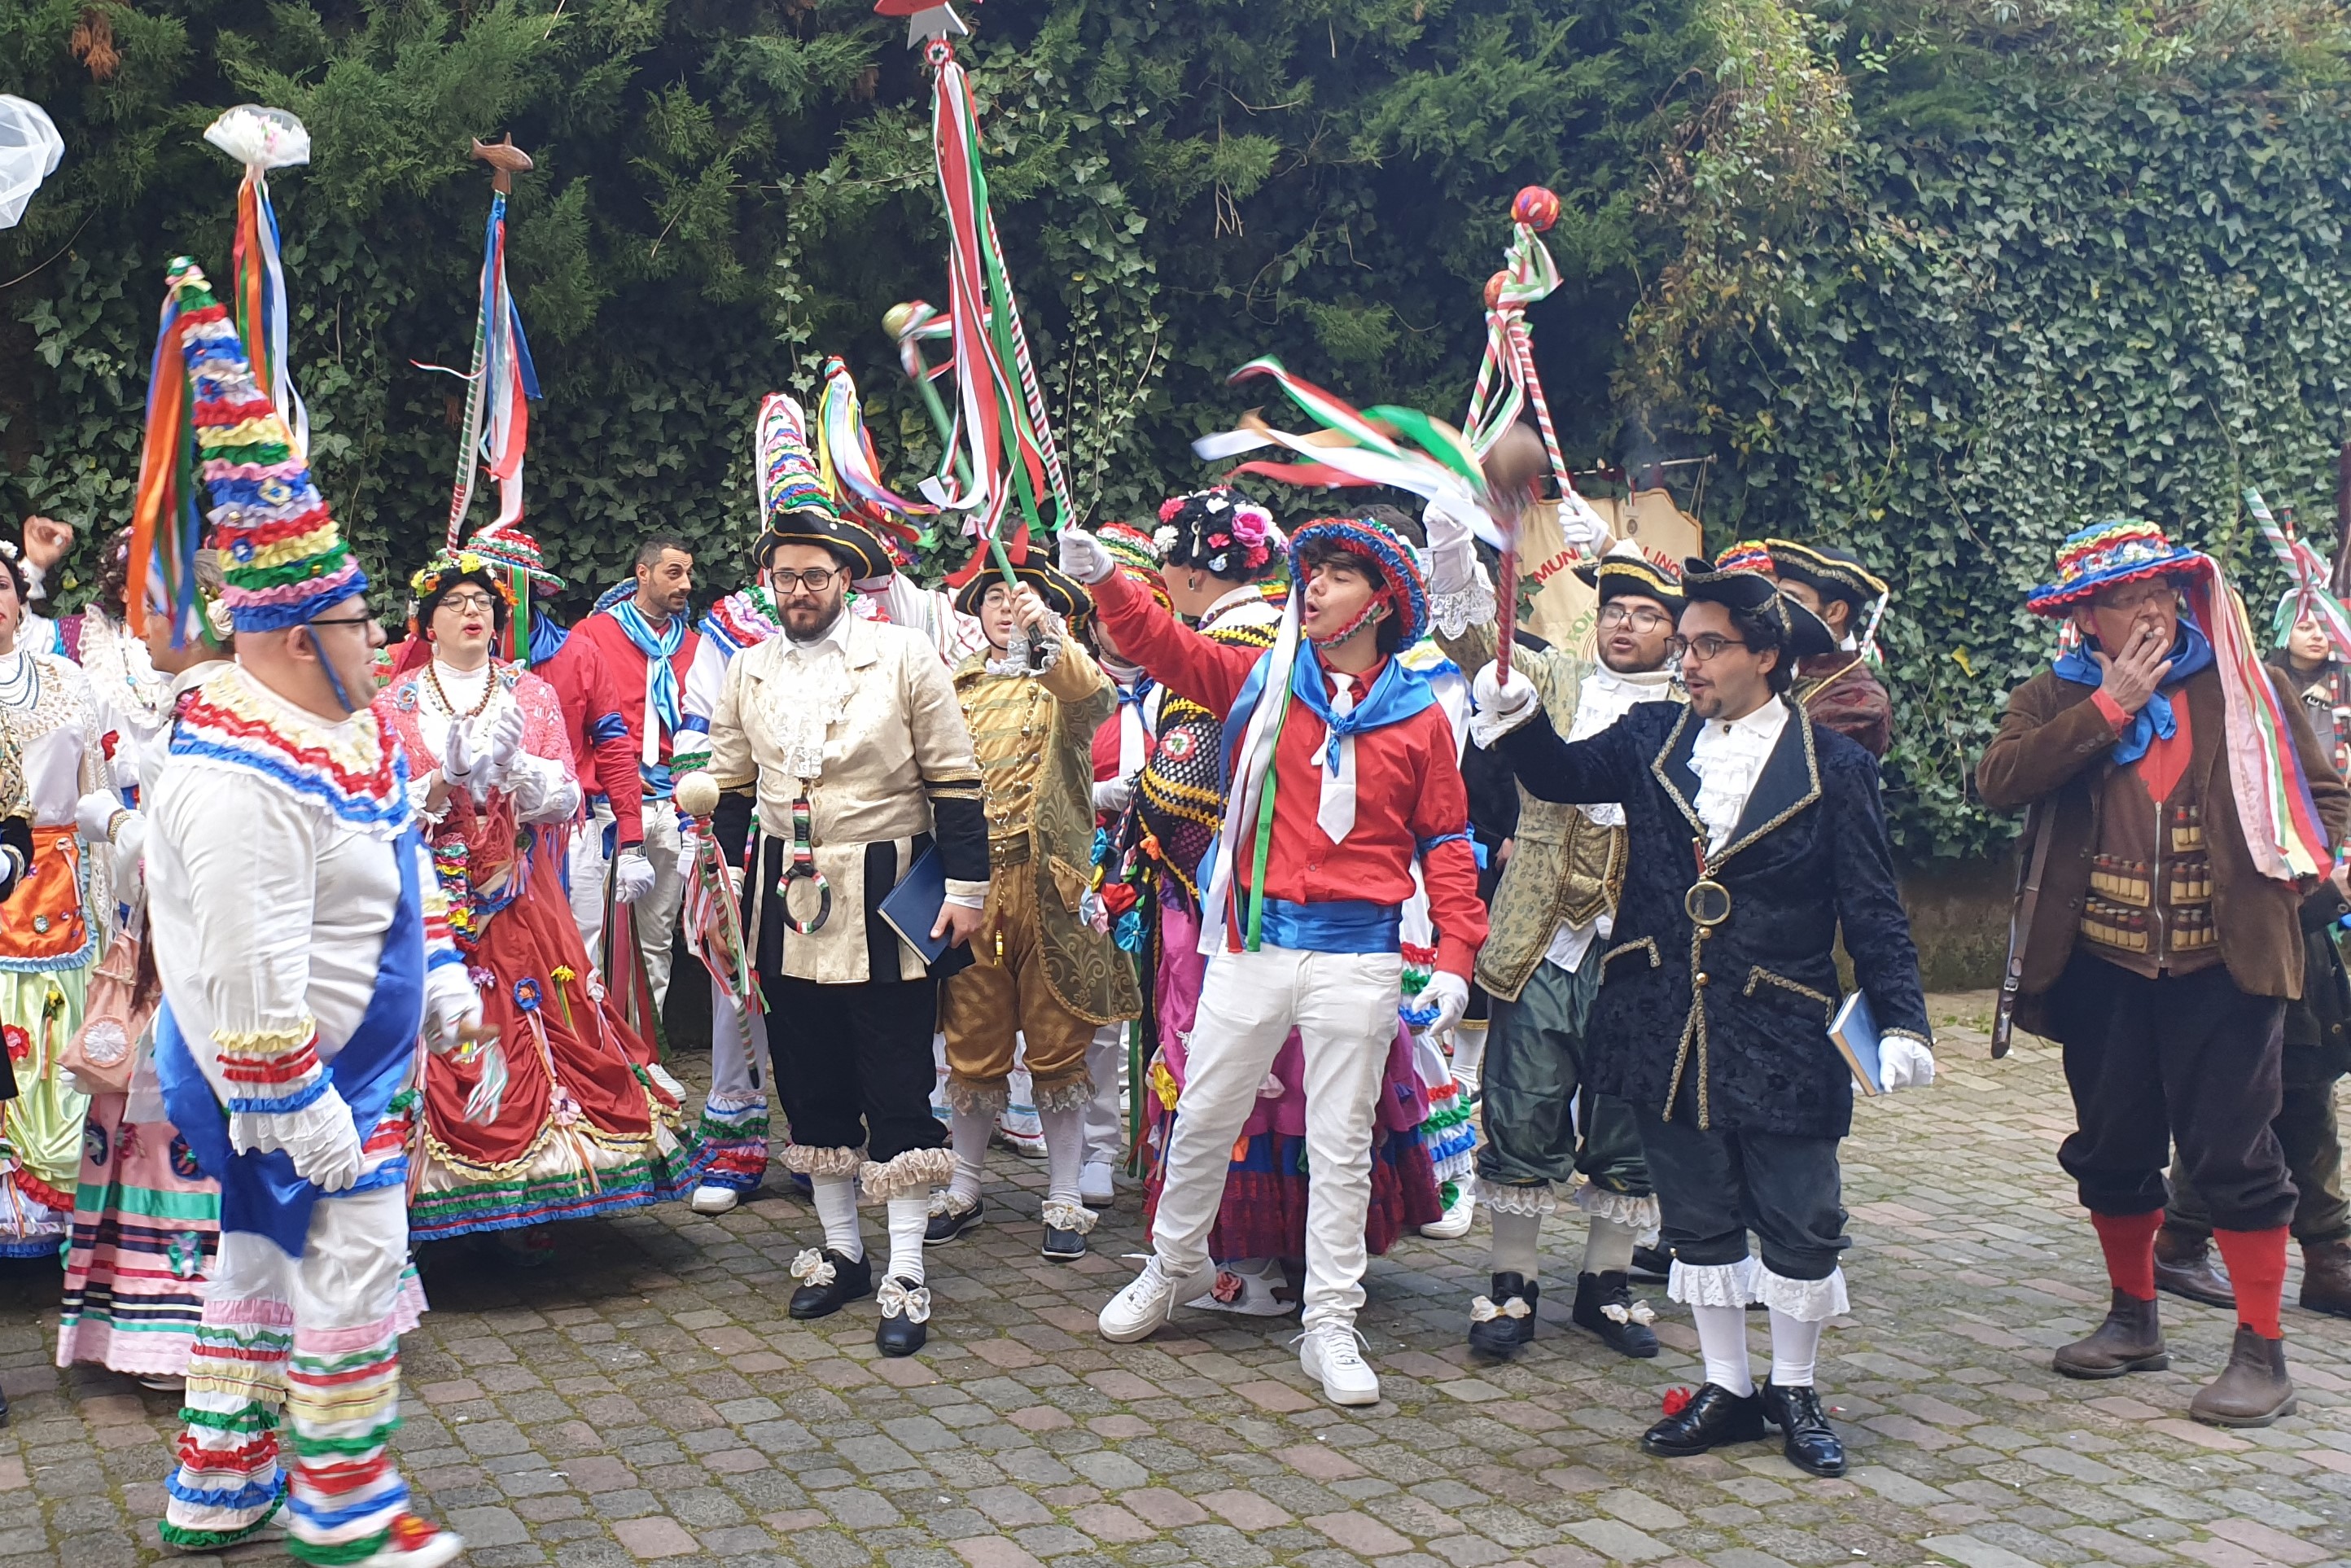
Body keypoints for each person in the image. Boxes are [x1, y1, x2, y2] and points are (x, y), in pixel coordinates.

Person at [142, 257, 479, 1566]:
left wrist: (442, 982)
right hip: (293, 1084)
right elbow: (244, 970)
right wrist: (305, 1117)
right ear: (291, 634)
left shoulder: (340, 733)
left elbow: (397, 876)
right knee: (343, 1272)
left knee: (258, 1267)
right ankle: (344, 1510)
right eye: (356, 621)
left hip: (353, 1067)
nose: (381, 645)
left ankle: (220, 1483)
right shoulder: (235, 775)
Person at [1473, 558, 1935, 1478]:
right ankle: (1725, 1386)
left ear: (1766, 655)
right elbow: (1561, 777)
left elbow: (1871, 907)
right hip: (1657, 1018)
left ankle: (1792, 1389)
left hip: (1781, 1028)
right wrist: (1518, 715)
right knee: (1698, 1214)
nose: (1685, 660)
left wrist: (1905, 1019)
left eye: (1707, 645)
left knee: (1800, 1217)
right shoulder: (1649, 734)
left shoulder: (1833, 766)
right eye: (1682, 643)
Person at [1063, 513, 1486, 1408]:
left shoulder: (1416, 718)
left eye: (1335, 573)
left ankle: (1330, 1320)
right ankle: (1172, 1266)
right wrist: (1104, 578)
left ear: (1379, 601)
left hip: (1357, 958)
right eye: (1309, 570)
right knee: (1207, 1114)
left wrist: (1453, 955)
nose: (1312, 585)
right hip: (1252, 943)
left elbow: (1446, 840)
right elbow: (1162, 645)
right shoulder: (1263, 679)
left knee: (1338, 1145)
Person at [1977, 520, 2351, 1426]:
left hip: (2223, 967)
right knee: (2111, 1149)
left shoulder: (2244, 684)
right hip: (2100, 966)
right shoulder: (2047, 697)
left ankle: (2260, 1353)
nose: (2147, 609)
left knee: (2235, 1152)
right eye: (2121, 598)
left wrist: (2304, 869)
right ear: (2083, 617)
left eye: (2159, 591)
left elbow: (2325, 798)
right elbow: (1996, 782)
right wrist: (2106, 710)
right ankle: (2131, 1319)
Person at [700, 402, 987, 1356]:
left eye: (814, 576)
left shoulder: (905, 655)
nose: (798, 591)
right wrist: (724, 876)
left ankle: (905, 1267)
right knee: (812, 1078)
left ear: (849, 581)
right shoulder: (743, 669)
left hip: (890, 890)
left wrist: (969, 892)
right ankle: (839, 1251)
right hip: (785, 896)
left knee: (897, 1076)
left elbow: (955, 781)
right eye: (783, 578)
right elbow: (731, 784)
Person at [1425, 510, 1683, 1361]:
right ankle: (1510, 1285)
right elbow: (1469, 641)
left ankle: (1605, 1289)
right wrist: (1453, 549)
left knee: (1625, 1119)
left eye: (1646, 614)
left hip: (1640, 943)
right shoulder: (1554, 676)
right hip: (1540, 931)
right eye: (1613, 608)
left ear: (1677, 635)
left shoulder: (1693, 711)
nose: (1625, 624)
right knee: (1521, 1104)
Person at [377, 550, 686, 1255]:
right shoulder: (393, 704)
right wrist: (442, 781)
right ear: (428, 621)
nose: (472, 612)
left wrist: (515, 769)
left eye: (483, 602)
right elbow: (377, 804)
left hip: (513, 893)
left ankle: (538, 1193)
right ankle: (415, 1197)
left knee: (542, 1020)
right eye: (455, 601)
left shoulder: (529, 694)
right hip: (425, 894)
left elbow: (566, 800)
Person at [56, 559, 234, 1388]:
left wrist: (118, 822)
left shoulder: (210, 717)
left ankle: (192, 1324)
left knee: (180, 1119)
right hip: (203, 953)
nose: (144, 624)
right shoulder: (232, 710)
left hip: (203, 963)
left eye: (159, 610)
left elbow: (191, 854)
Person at [928, 559, 1138, 1259]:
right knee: (973, 1042)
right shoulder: (950, 689)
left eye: (1016, 601)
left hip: (1051, 889)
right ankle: (963, 1186)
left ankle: (1068, 1193)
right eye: (993, 599)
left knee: (1059, 1045)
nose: (1004, 610)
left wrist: (1043, 630)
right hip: (971, 891)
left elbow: (1091, 694)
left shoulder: (1069, 687)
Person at [0, 535, 109, 1260]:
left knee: (72, 1031)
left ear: (22, 596)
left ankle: (82, 1208)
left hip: (67, 877)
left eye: (0, 585)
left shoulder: (68, 677)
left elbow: (97, 779)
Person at [568, 533, 707, 1009]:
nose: (686, 583)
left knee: (657, 936)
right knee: (593, 933)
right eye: (674, 572)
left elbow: (704, 726)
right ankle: (598, 1048)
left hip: (672, 802)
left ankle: (649, 1051)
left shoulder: (694, 646)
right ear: (642, 573)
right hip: (607, 803)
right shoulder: (593, 634)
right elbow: (573, 718)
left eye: (689, 573)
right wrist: (617, 772)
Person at [1080, 522, 1168, 1205]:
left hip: (1172, 874)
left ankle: (1166, 1145)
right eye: (1108, 612)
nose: (1118, 627)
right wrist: (1096, 793)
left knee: (1173, 1011)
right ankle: (1099, 1147)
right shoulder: (1075, 688)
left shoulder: (1180, 683)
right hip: (1094, 868)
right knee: (1101, 1017)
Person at [1764, 541, 1893, 758]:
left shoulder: (1864, 702)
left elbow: (1789, 764)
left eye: (1793, 599)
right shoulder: (1773, 657)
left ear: (1835, 612)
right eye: (1778, 597)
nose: (1779, 609)